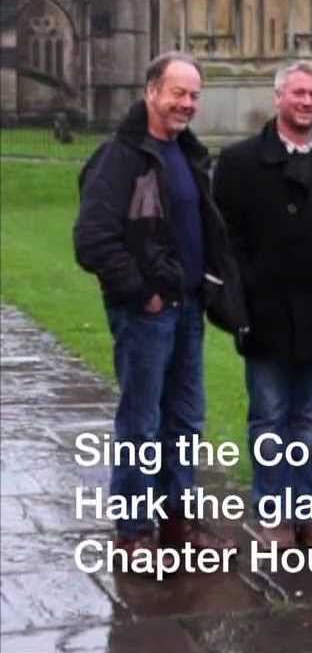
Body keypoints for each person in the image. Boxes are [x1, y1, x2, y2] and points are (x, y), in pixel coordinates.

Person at [73, 51, 240, 555]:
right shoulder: (120, 155)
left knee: (185, 421)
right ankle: (134, 532)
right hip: (147, 311)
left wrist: (209, 282)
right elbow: (93, 240)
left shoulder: (188, 154)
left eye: (193, 95)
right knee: (141, 423)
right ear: (151, 91)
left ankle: (176, 522)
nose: (186, 104)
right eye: (177, 93)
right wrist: (141, 293)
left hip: (188, 308)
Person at [213, 61, 312, 550]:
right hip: (266, 310)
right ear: (278, 96)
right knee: (269, 416)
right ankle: (272, 513)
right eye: (298, 94)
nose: (306, 103)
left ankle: (310, 512)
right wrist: (246, 290)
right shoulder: (239, 162)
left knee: (308, 419)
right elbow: (225, 238)